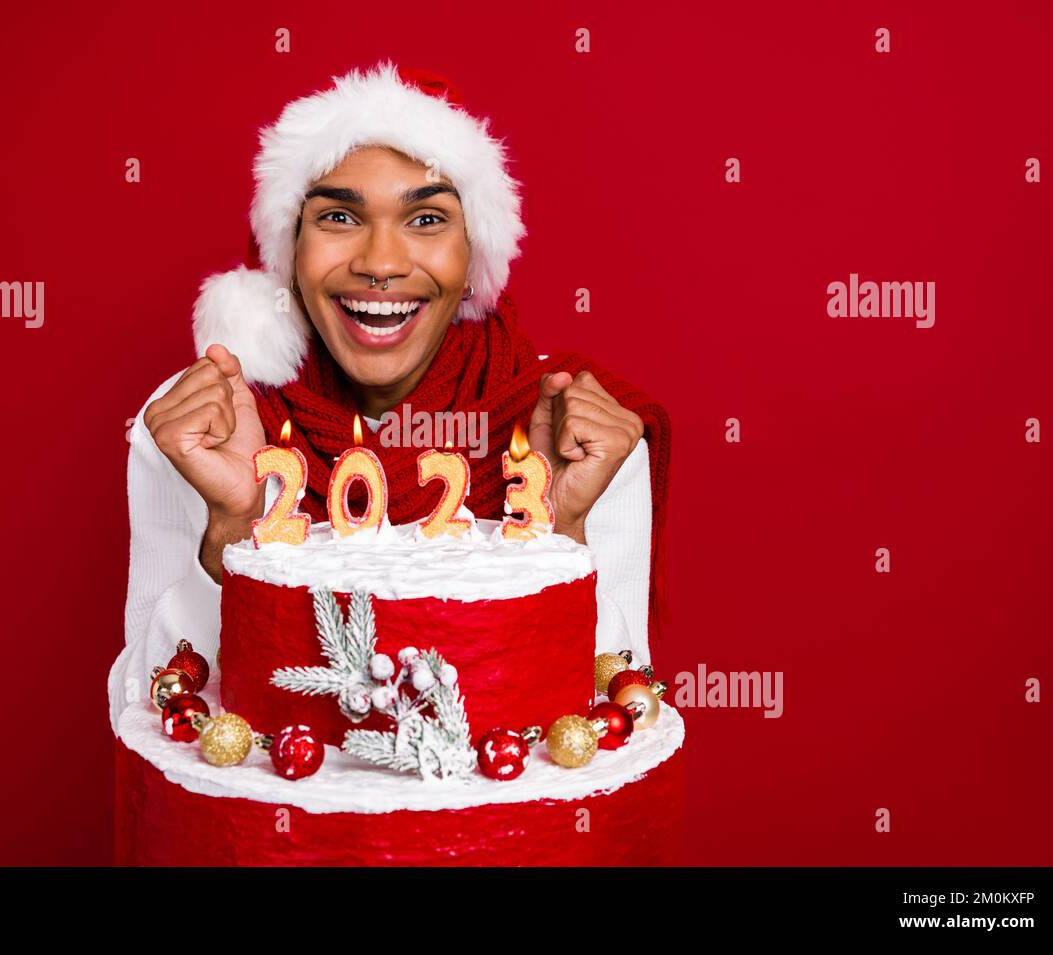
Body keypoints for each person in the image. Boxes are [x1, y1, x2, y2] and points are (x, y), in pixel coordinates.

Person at [108, 61, 669, 731]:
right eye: (340, 216)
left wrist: (561, 540)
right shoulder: (202, 426)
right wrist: (228, 536)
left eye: (426, 218)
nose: (380, 262)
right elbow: (143, 714)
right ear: (288, 253)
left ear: (473, 259)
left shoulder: (578, 430)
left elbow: (619, 712)